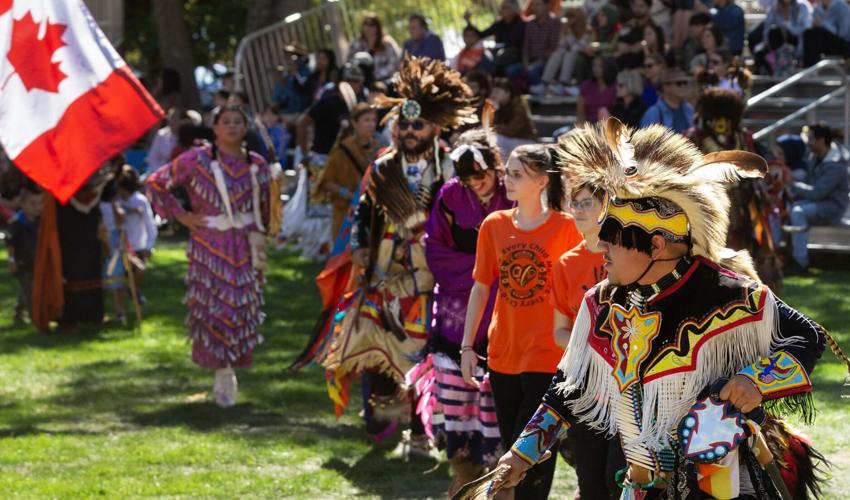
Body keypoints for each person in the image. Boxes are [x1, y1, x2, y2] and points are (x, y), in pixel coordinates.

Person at [493, 117, 829, 500]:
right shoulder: (601, 303)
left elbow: (807, 336)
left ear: (655, 245)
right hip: (639, 487)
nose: (601, 249)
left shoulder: (728, 292)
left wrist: (754, 380)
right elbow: (568, 388)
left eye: (614, 240)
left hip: (718, 486)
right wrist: (520, 456)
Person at [320, 56, 476, 453]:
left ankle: (424, 430)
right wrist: (359, 246)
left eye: (417, 124)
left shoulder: (449, 169)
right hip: (383, 272)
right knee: (377, 348)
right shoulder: (384, 166)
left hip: (431, 278)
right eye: (403, 124)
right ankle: (385, 421)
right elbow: (363, 211)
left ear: (435, 128)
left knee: (425, 352)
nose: (409, 131)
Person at [460, 144, 582, 499]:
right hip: (503, 354)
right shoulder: (494, 225)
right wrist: (468, 346)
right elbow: (480, 288)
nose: (506, 180)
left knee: (533, 451)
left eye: (516, 174)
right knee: (511, 444)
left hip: (550, 355)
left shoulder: (568, 227)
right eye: (508, 172)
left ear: (542, 181)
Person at [145, 104, 273, 407]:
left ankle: (230, 367)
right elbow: (156, 182)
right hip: (211, 244)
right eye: (225, 122)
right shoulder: (197, 160)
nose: (231, 127)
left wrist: (264, 231)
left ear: (245, 128)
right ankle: (222, 371)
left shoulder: (257, 164)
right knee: (216, 304)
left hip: (245, 243)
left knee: (242, 306)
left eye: (237, 122)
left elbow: (266, 206)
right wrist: (182, 215)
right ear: (215, 128)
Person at [408, 129, 513, 497]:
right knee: (457, 408)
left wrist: (499, 276)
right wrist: (481, 271)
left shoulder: (513, 192)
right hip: (458, 315)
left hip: (507, 318)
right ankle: (464, 477)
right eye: (467, 177)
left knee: (500, 413)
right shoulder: (451, 194)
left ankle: (500, 483)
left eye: (480, 175)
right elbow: (435, 248)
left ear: (495, 167)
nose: (475, 183)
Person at [550, 179, 619, 500]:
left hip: (629, 385)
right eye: (574, 203)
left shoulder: (627, 255)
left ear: (607, 206)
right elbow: (559, 331)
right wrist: (593, 347)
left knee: (619, 478)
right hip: (586, 384)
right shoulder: (566, 264)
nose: (577, 209)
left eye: (586, 202)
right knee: (590, 482)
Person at [685, 87, 783, 291]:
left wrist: (773, 171)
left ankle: (748, 289)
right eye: (717, 118)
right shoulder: (694, 137)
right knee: (708, 248)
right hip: (708, 204)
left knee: (748, 245)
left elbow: (765, 159)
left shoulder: (743, 137)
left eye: (726, 118)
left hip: (743, 204)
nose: (722, 124)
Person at [289, 64, 367, 260]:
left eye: (359, 81)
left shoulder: (353, 104)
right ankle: (319, 250)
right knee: (320, 210)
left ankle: (339, 248)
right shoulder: (328, 101)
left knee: (338, 207)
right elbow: (303, 122)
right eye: (352, 81)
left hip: (341, 161)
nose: (356, 85)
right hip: (321, 160)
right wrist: (305, 154)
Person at [785, 123, 850, 274]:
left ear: (821, 140)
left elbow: (817, 193)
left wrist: (793, 185)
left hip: (832, 208)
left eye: (811, 138)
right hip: (818, 203)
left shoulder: (835, 164)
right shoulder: (815, 156)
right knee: (788, 208)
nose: (808, 141)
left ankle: (800, 263)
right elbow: (809, 183)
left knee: (798, 212)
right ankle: (784, 256)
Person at [316, 103, 381, 239]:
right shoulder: (342, 150)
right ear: (354, 123)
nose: (371, 125)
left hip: (370, 212)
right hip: (344, 212)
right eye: (366, 120)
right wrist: (348, 194)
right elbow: (326, 181)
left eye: (373, 120)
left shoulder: (379, 149)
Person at [116, 166, 158, 307]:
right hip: (122, 245)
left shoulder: (140, 200)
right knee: (123, 276)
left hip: (138, 245)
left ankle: (134, 291)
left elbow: (150, 225)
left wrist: (149, 246)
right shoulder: (116, 201)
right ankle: (125, 304)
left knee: (138, 273)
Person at [5, 184, 41, 324]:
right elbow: (10, 243)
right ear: (23, 204)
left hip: (36, 261)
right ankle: (35, 318)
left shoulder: (39, 221)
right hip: (22, 263)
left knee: (25, 290)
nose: (37, 207)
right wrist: (12, 260)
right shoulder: (17, 222)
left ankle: (18, 313)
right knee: (29, 291)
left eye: (39, 204)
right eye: (32, 204)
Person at [465, 0, 527, 76]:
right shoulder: (499, 24)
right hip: (498, 55)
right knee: (486, 59)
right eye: (501, 7)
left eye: (505, 7)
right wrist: (469, 22)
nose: (501, 10)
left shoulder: (523, 24)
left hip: (515, 57)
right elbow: (481, 34)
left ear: (514, 10)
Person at [540, 7, 590, 94]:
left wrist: (570, 36)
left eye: (571, 17)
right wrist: (566, 33)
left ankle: (563, 83)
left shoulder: (587, 30)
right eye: (568, 17)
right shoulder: (566, 29)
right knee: (557, 53)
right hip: (568, 54)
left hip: (581, 56)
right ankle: (545, 82)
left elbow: (579, 47)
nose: (569, 20)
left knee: (569, 54)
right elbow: (561, 46)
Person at [490, 77, 538, 157]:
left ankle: (501, 167)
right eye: (492, 92)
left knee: (497, 139)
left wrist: (492, 128)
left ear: (508, 93)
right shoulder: (497, 106)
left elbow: (512, 130)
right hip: (509, 141)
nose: (493, 95)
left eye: (497, 92)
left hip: (525, 142)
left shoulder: (518, 106)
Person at [347, 13, 401, 83]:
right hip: (361, 82)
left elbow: (394, 64)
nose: (368, 27)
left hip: (386, 80)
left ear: (378, 27)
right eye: (365, 23)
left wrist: (376, 75)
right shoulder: (356, 43)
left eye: (372, 24)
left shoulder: (387, 43)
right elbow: (350, 63)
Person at [640, 68, 694, 133]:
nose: (684, 86)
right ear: (665, 87)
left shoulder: (689, 109)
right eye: (679, 83)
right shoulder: (653, 113)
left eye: (685, 83)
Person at [523, 0, 561, 88]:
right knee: (511, 71)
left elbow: (554, 48)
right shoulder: (530, 24)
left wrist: (539, 60)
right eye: (533, 5)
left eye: (538, 5)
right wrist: (526, 63)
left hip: (546, 61)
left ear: (547, 6)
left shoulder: (554, 22)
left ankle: (542, 90)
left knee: (532, 71)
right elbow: (526, 48)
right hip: (530, 61)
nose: (535, 8)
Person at [803, 0, 850, 66]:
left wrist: (823, 24)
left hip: (843, 45)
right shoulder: (817, 8)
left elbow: (843, 33)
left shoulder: (842, 7)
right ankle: (809, 66)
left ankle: (812, 65)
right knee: (809, 33)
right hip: (824, 44)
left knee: (817, 33)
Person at [273, 43, 312, 120]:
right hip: (287, 112)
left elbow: (303, 90)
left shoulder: (306, 72)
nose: (289, 59)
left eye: (292, 56)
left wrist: (296, 73)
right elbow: (280, 98)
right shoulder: (287, 76)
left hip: (301, 112)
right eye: (287, 56)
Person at [577, 55, 618, 124]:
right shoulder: (586, 85)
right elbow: (581, 113)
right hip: (588, 127)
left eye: (600, 66)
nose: (595, 68)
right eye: (594, 65)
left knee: (603, 111)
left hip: (608, 127)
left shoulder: (616, 86)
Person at [146, 107, 189, 172]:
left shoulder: (188, 135)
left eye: (174, 118)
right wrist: (162, 172)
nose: (170, 120)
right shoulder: (161, 134)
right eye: (170, 117)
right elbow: (153, 158)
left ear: (182, 121)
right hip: (161, 172)